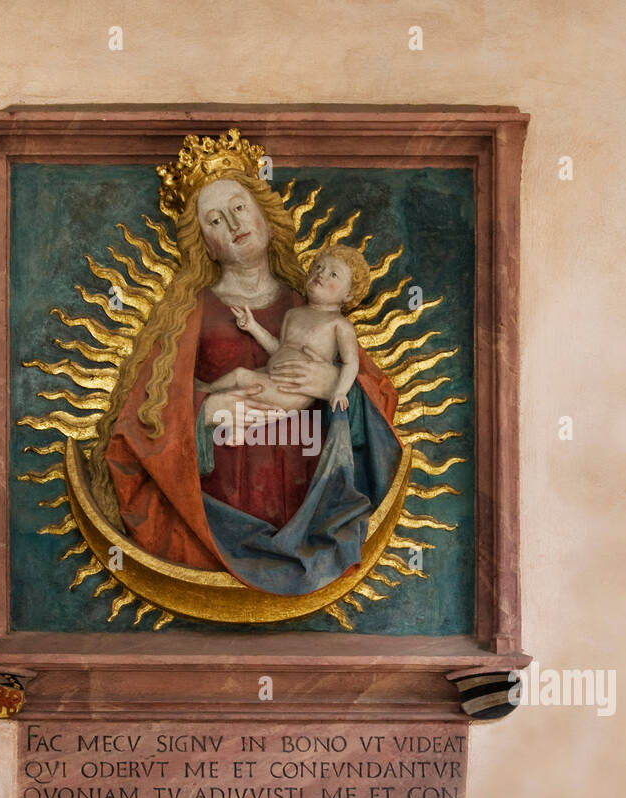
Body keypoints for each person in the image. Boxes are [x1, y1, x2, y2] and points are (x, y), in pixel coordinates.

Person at [87, 131, 402, 595]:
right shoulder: (189, 314)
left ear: (266, 216)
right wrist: (206, 411)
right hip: (216, 518)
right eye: (214, 220)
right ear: (205, 244)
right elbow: (137, 422)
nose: (232, 223)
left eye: (239, 207)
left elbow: (379, 403)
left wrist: (334, 382)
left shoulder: (313, 310)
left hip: (309, 507)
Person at [198, 244, 369, 414]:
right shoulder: (293, 314)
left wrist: (340, 391)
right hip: (271, 376)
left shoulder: (339, 324)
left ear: (348, 295)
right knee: (239, 377)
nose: (321, 274)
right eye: (318, 267)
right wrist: (253, 327)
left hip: (292, 391)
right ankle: (206, 395)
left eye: (333, 274)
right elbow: (279, 349)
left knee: (240, 386)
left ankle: (207, 394)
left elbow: (351, 363)